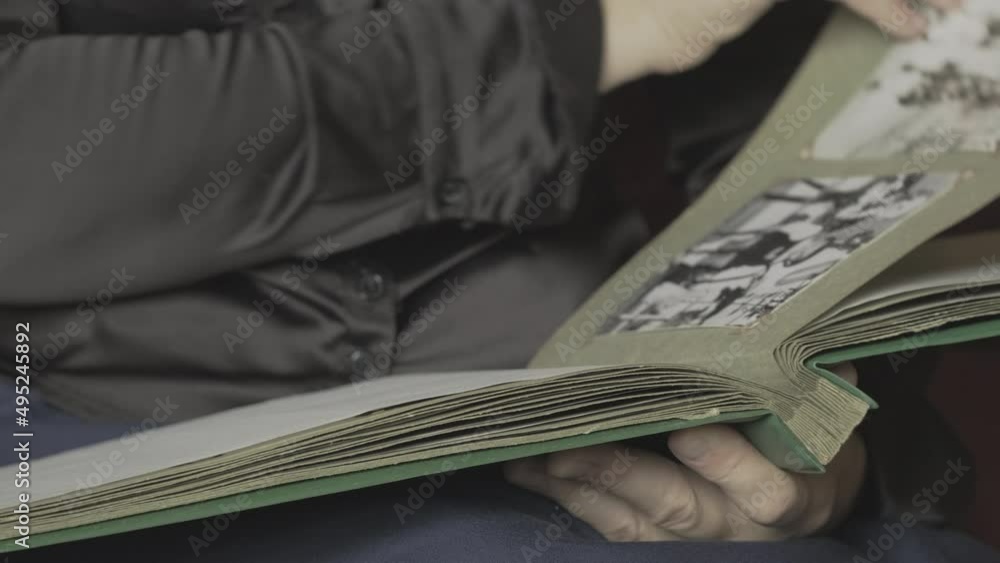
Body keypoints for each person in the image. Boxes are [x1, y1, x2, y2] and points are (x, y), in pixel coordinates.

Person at [2, 0, 996, 561]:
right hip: (114, 444)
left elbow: (793, 123)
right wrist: (581, 37)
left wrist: (826, 450)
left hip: (581, 402)